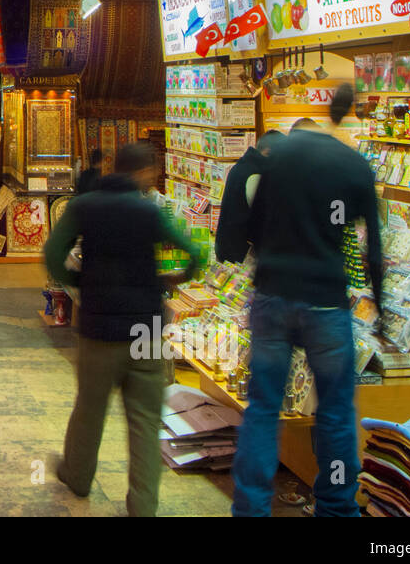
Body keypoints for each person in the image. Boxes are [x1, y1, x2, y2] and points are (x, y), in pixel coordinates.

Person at [231, 84, 383, 517]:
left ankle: (250, 507)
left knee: (262, 409)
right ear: (342, 119)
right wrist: (384, 313)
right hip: (326, 304)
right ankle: (336, 506)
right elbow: (372, 248)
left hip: (273, 298)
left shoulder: (280, 161)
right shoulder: (353, 165)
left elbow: (254, 227)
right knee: (335, 413)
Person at [43, 143, 204, 514]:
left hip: (100, 327)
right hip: (145, 329)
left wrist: (77, 281)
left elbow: (52, 252)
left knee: (89, 408)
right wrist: (176, 278)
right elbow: (196, 252)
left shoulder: (85, 206)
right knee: (145, 423)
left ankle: (78, 477)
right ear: (144, 173)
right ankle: (143, 505)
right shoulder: (149, 211)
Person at [213, 130, 283, 263]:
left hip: (225, 247)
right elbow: (264, 215)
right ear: (268, 152)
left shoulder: (240, 166)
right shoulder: (255, 175)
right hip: (240, 254)